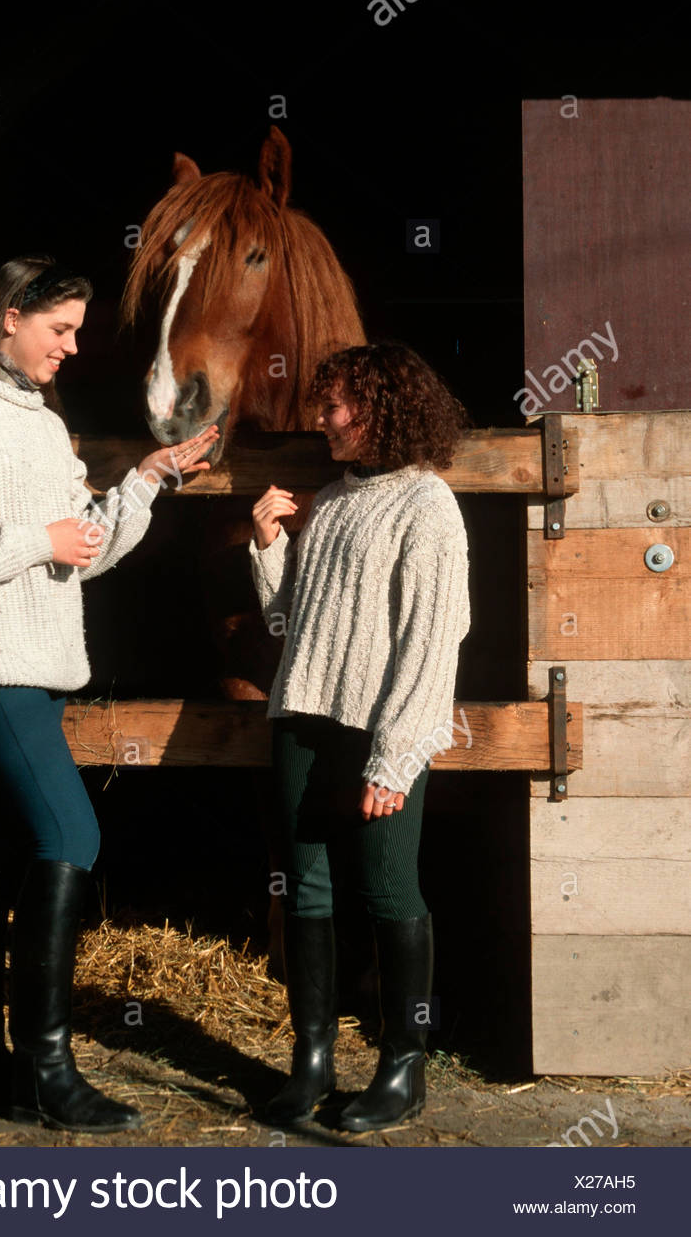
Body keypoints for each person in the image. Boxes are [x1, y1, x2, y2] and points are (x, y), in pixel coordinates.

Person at [0, 255, 219, 1134]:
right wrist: (39, 537)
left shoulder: (44, 426)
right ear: (9, 316)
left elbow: (85, 549)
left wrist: (147, 480)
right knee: (72, 832)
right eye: (60, 329)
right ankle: (47, 1069)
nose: (72, 347)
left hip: (34, 660)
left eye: (77, 331)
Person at [249, 341, 471, 1132]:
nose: (321, 418)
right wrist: (272, 551)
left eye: (334, 404)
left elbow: (431, 643)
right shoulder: (337, 499)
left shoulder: (427, 506)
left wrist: (395, 758)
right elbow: (293, 628)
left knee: (385, 888)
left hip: (379, 733)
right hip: (301, 720)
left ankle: (402, 1068)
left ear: (379, 409)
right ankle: (311, 1060)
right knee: (306, 888)